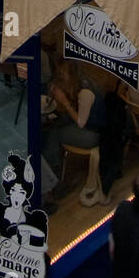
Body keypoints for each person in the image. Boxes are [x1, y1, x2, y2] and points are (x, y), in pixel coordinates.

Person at [45, 60, 108, 205]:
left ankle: (55, 177)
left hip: (93, 134)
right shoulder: (79, 83)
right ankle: (54, 170)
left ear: (71, 75)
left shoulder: (85, 92)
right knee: (57, 125)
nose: (61, 77)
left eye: (63, 75)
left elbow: (81, 122)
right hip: (88, 127)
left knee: (55, 133)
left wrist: (64, 101)